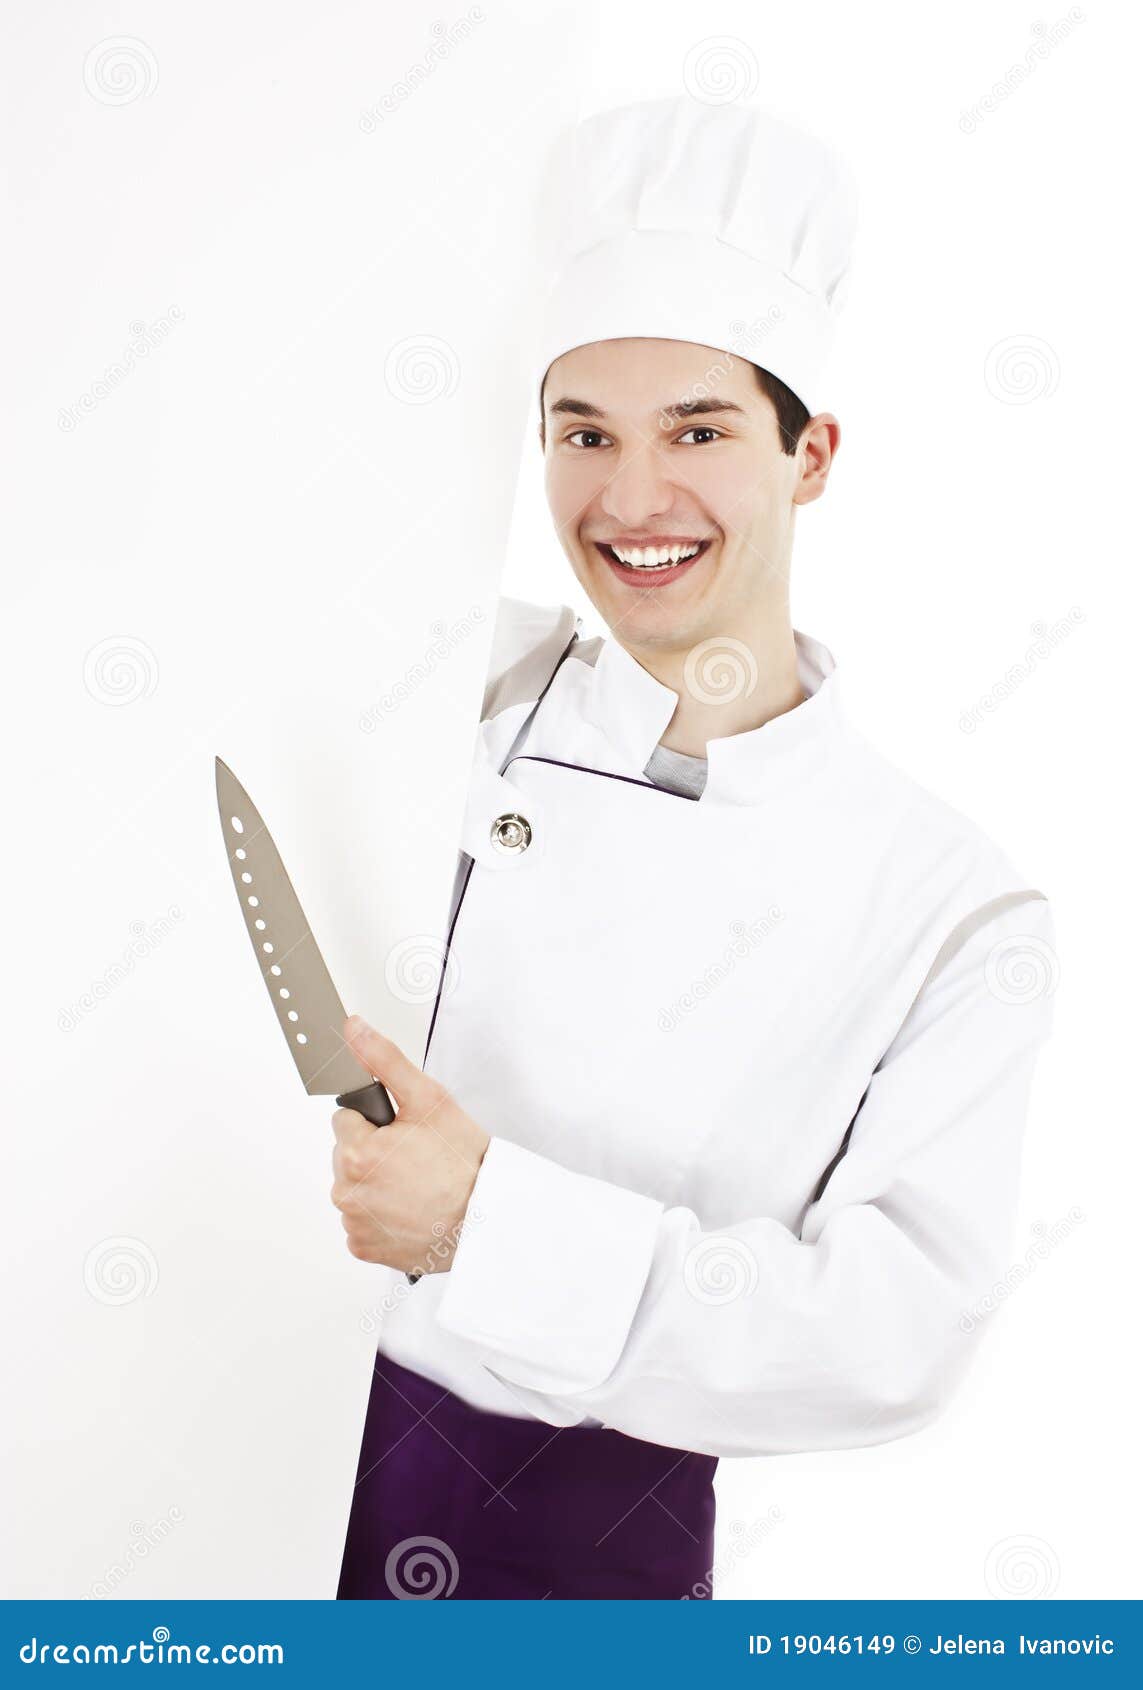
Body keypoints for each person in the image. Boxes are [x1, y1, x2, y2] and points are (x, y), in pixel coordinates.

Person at [332, 97, 1057, 1601]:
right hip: (249, 1438)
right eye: (584, 433)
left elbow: (895, 1337)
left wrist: (487, 1225)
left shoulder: (950, 907)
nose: (631, 498)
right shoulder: (450, 690)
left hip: (589, 1548)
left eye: (700, 430)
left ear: (813, 455)